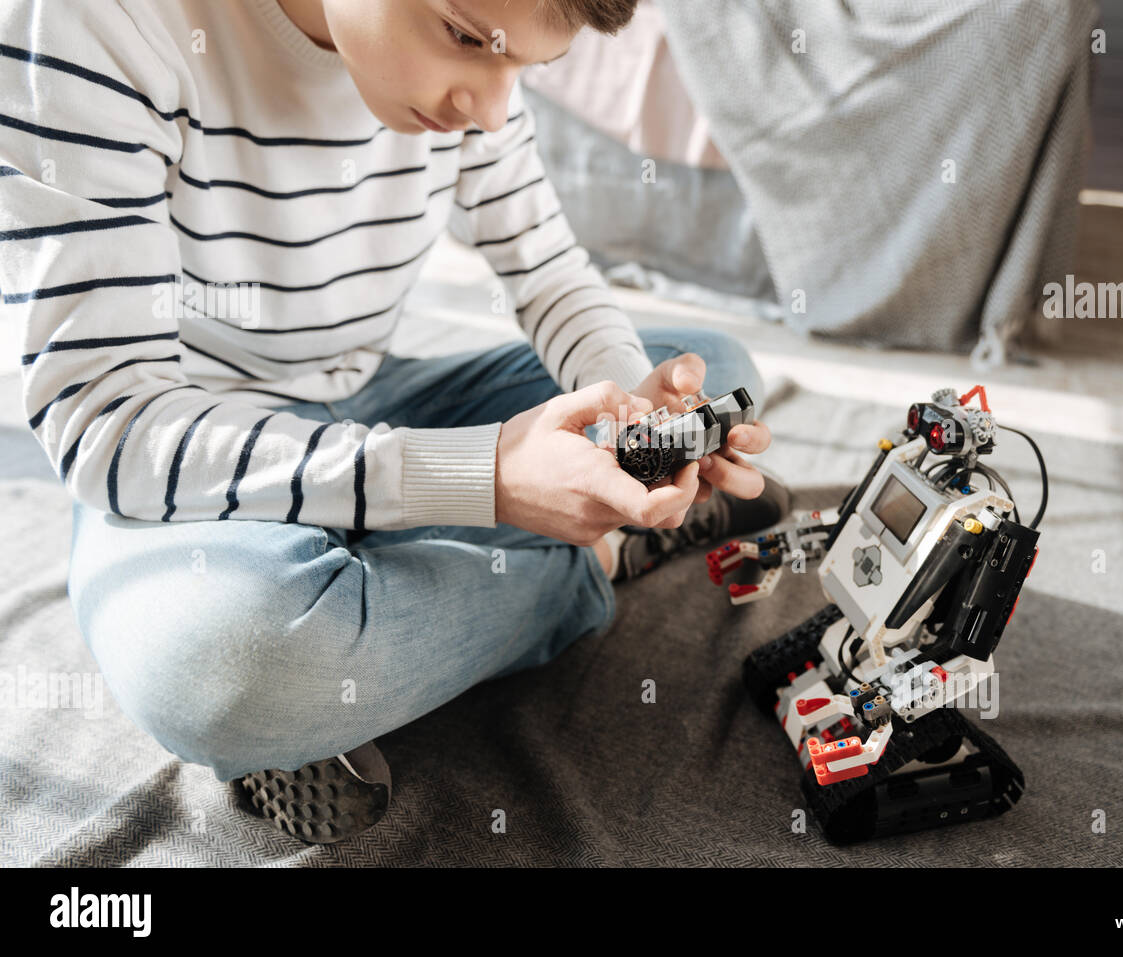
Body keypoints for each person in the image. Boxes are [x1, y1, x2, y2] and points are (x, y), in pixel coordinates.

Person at [1, 0, 787, 843]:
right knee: (226, 666)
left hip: (376, 400)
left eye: (524, 68)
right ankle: (591, 553)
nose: (485, 109)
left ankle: (378, 622)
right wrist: (476, 477)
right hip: (190, 448)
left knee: (711, 370)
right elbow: (111, 423)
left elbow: (548, 270)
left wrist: (635, 409)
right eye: (460, 38)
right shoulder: (93, 22)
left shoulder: (482, 49)